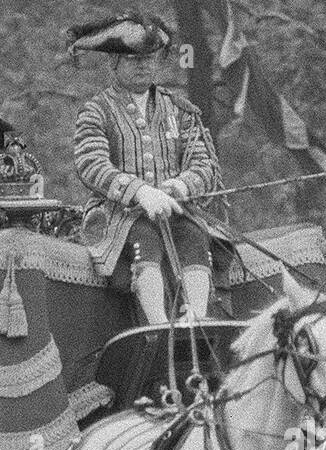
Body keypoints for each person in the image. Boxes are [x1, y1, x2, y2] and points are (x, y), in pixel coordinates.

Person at [68, 11, 220, 325]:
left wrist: (180, 187)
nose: (142, 65)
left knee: (194, 235)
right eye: (132, 59)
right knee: (144, 239)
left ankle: (196, 319)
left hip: (176, 210)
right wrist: (140, 192)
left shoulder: (180, 109)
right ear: (113, 63)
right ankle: (158, 325)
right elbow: (91, 164)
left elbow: (205, 165)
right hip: (117, 216)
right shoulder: (96, 111)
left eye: (149, 58)